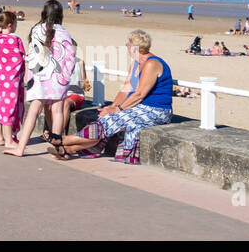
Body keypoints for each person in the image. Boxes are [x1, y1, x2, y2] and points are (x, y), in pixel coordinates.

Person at [51, 29, 174, 164]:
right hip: (139, 108)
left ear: (133, 48)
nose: (127, 48)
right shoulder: (135, 64)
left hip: (155, 110)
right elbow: (126, 89)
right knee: (107, 118)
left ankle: (64, 140)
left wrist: (117, 109)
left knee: (110, 121)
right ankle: (69, 150)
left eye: (127, 45)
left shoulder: (152, 63)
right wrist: (112, 107)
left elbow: (139, 94)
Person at [7, 0, 75, 157]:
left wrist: (32, 76)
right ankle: (56, 149)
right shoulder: (64, 32)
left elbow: (32, 55)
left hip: (39, 77)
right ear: (60, 15)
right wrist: (66, 76)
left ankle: (20, 148)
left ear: (44, 13)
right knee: (57, 111)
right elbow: (70, 57)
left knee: (33, 111)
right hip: (58, 78)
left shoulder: (36, 29)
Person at [0, 10, 26, 149]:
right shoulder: (15, 39)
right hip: (11, 81)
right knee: (9, 108)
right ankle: (9, 140)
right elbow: (21, 57)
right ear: (10, 25)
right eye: (16, 24)